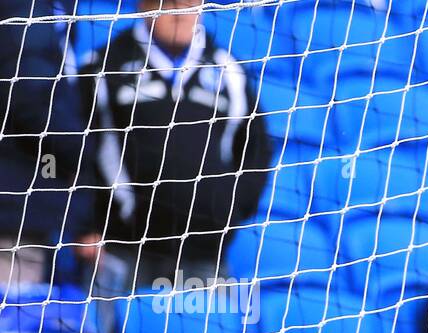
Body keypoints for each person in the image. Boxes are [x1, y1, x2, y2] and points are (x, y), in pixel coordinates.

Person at [78, 0, 270, 295]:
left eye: (189, 3)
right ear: (143, 6)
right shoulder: (102, 66)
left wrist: (227, 212)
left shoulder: (228, 70)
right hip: (121, 247)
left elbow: (256, 151)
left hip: (204, 252)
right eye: (168, 3)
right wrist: (85, 224)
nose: (180, 13)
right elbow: (72, 148)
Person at [0, 0, 99, 293]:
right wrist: (83, 149)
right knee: (14, 326)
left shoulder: (59, 7)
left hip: (33, 202)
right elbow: (30, 101)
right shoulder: (25, 8)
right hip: (15, 206)